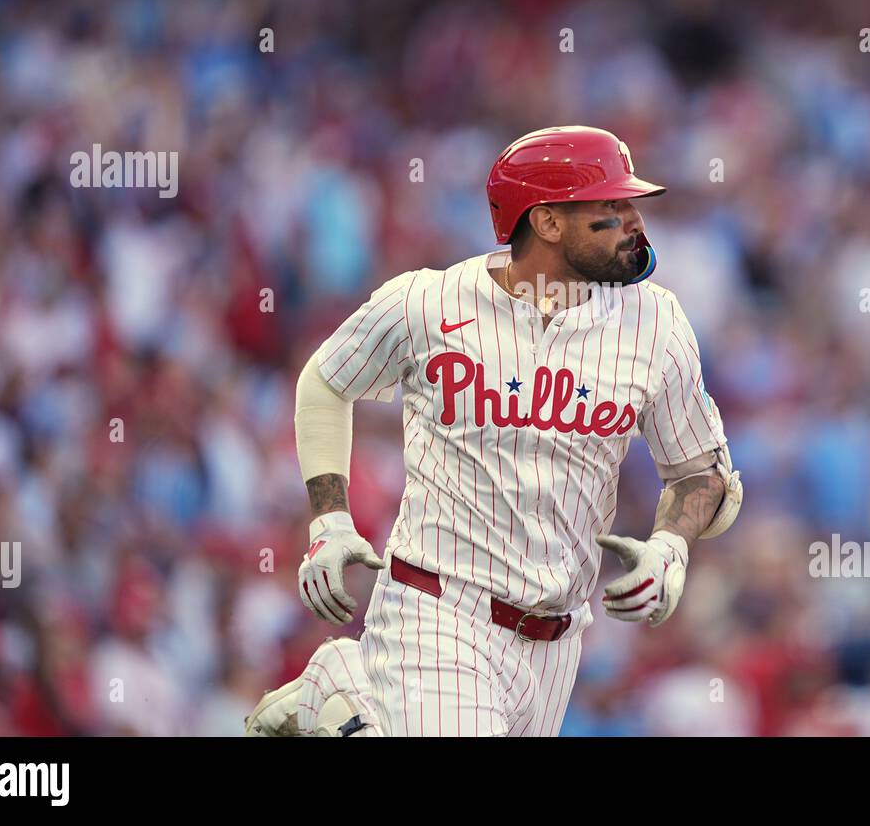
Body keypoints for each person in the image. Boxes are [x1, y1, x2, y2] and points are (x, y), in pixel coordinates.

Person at [290, 126, 743, 736]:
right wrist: (330, 519)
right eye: (610, 207)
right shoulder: (430, 302)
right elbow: (326, 382)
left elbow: (698, 473)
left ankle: (346, 700)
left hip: (557, 639)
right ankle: (347, 688)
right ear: (548, 223)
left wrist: (670, 548)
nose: (634, 219)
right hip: (437, 609)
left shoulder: (656, 323)